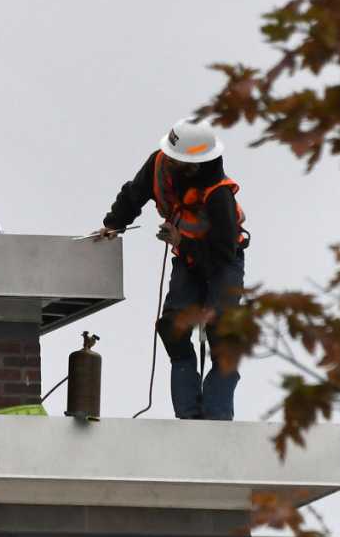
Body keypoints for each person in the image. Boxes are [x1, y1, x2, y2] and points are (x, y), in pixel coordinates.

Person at [97, 120, 249, 420]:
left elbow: (221, 254)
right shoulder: (159, 165)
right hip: (187, 260)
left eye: (182, 162)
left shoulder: (218, 194)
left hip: (222, 260)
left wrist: (181, 241)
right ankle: (189, 416)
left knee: (221, 334)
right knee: (173, 329)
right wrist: (113, 225)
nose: (173, 163)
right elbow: (134, 194)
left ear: (197, 164)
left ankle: (216, 416)